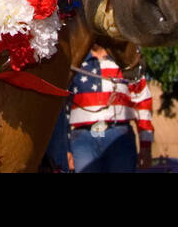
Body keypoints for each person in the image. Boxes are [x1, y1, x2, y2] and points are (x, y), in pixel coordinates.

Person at [65, 43, 155, 172]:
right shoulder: (75, 61)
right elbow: (63, 107)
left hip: (119, 136)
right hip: (82, 139)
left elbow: (143, 101)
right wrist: (66, 148)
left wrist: (146, 145)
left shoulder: (126, 60)